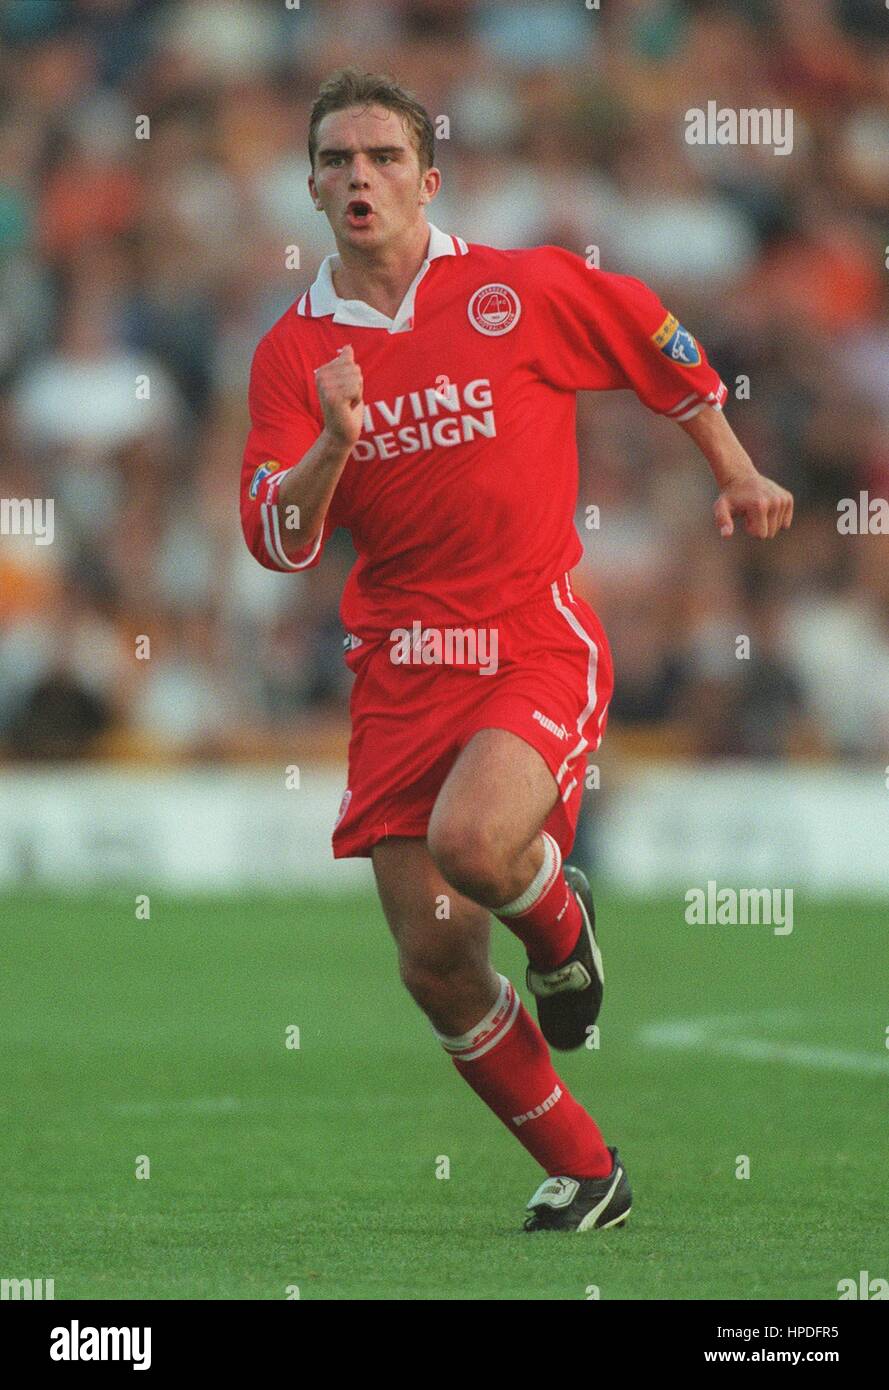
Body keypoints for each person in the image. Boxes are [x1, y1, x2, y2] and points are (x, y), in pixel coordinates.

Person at [240, 69, 793, 1232]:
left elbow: (651, 327)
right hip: (398, 668)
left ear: (427, 179)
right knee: (436, 965)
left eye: (383, 157)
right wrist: (330, 448)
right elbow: (277, 541)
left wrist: (734, 466)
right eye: (338, 159)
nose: (360, 177)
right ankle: (590, 1173)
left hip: (529, 639)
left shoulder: (515, 287)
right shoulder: (294, 356)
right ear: (309, 186)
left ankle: (558, 922)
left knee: (477, 843)